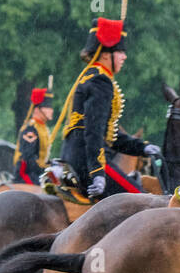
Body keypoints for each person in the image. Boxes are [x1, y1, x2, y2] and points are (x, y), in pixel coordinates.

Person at [59, 11, 158, 199]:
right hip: (87, 162)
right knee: (141, 200)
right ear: (105, 55)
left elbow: (108, 134)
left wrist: (141, 147)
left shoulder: (93, 76)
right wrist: (97, 173)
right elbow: (93, 131)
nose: (124, 57)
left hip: (77, 157)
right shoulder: (100, 82)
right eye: (120, 52)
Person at [13, 85, 54, 184]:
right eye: (47, 107)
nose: (51, 110)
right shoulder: (30, 129)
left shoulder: (43, 128)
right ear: (37, 109)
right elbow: (29, 159)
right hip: (27, 175)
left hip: (37, 173)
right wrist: (46, 169)